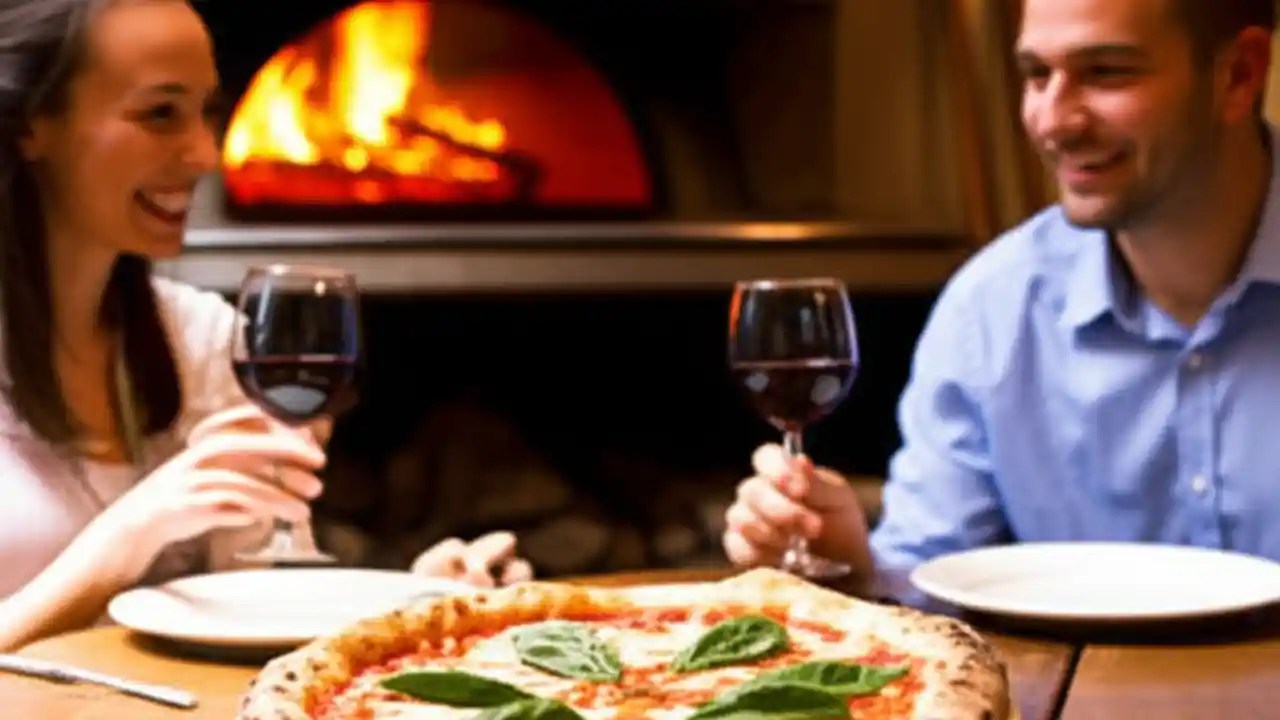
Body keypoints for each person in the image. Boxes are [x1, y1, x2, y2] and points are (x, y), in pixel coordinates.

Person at [0, 0, 530, 652]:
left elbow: (257, 598)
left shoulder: (200, 336)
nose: (205, 154)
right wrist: (129, 534)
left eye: (207, 114)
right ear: (29, 124)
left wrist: (420, 599)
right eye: (160, 113)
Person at [724, 0, 1280, 577]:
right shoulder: (990, 308)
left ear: (1239, 73)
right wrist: (851, 561)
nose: (1054, 120)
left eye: (1107, 72)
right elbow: (925, 580)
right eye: (1037, 75)